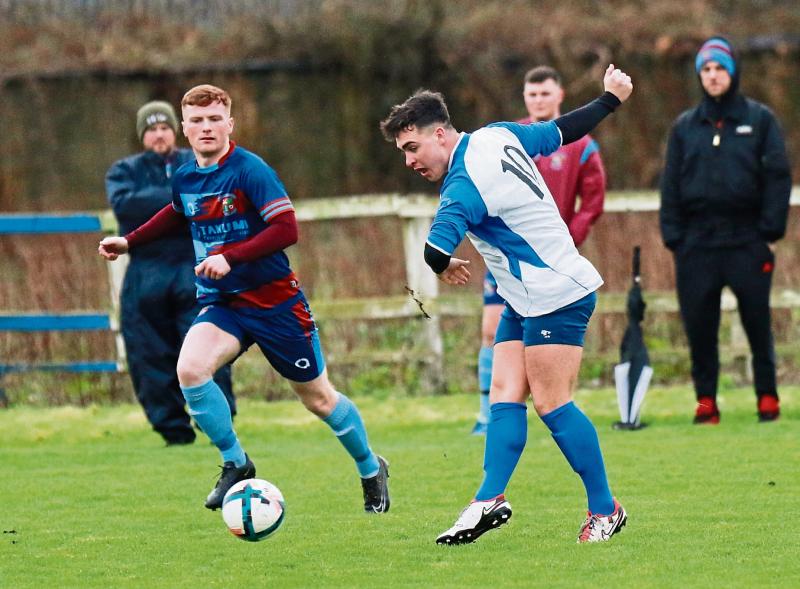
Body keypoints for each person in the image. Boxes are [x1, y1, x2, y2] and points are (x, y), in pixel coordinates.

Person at [99, 85, 390, 513]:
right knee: (191, 369)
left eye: (215, 119)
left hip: (275, 303)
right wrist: (130, 241)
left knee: (319, 399)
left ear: (229, 124)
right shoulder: (184, 176)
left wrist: (229, 257)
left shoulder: (250, 170)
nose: (206, 128)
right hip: (223, 304)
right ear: (185, 129)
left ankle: (370, 468)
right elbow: (178, 213)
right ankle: (236, 463)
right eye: (197, 121)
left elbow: (287, 229)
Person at [380, 64, 632, 544]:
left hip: (555, 293)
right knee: (503, 394)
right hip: (526, 296)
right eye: (402, 152)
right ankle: (487, 500)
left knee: (553, 404)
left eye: (412, 148)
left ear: (440, 133)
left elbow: (433, 251)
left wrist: (443, 265)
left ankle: (606, 509)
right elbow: (562, 131)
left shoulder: (462, 185)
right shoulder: (496, 134)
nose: (409, 161)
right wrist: (608, 99)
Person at [660, 37, 791, 424]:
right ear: (699, 76)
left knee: (757, 322)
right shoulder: (685, 127)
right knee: (700, 329)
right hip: (696, 244)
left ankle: (767, 398)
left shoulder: (760, 120)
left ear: (732, 72)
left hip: (747, 240)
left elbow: (778, 177)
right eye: (706, 70)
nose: (713, 76)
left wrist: (770, 230)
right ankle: (706, 403)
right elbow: (669, 185)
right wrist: (675, 237)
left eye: (719, 68)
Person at [472, 66, 606, 435]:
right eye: (532, 94)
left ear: (559, 95)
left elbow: (592, 202)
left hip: (553, 264)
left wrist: (566, 242)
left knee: (546, 344)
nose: (538, 100)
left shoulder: (579, 144)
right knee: (489, 329)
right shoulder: (506, 138)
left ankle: (552, 404)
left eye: (545, 93)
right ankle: (487, 414)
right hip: (507, 257)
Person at [105, 100, 235, 446]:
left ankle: (217, 425)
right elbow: (126, 206)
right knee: (148, 354)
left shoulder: (194, 161)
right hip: (146, 276)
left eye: (164, 128)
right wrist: (184, 199)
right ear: (142, 136)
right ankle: (173, 431)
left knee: (207, 350)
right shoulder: (124, 170)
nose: (159, 135)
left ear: (174, 131)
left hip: (194, 270)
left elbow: (214, 198)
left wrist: (180, 201)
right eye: (151, 129)